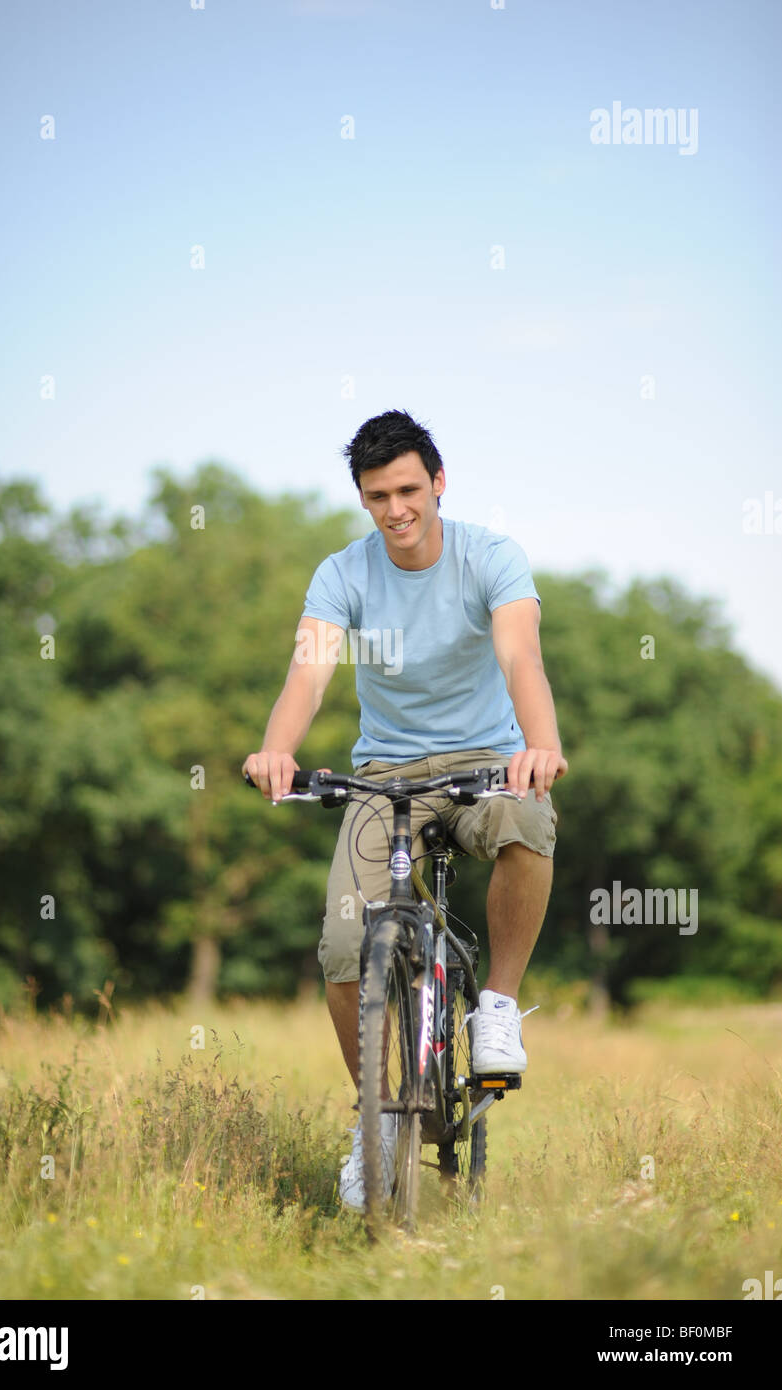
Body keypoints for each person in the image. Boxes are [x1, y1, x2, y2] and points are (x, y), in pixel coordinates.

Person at [242, 409, 568, 1210]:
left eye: (408, 489)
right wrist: (275, 748)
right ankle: (378, 1123)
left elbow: (518, 652)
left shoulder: (490, 556)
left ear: (438, 483)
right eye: (377, 495)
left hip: (488, 761)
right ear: (361, 499)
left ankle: (493, 1006)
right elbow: (309, 673)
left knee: (527, 821)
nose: (396, 509)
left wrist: (540, 744)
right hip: (385, 772)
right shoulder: (343, 574)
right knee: (346, 942)